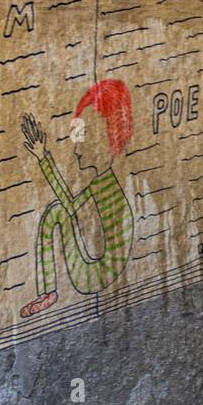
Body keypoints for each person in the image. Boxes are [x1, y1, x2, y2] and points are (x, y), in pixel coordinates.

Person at [18, 79, 135, 317]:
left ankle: (48, 292)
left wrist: (44, 158)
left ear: (107, 139)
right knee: (57, 210)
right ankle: (48, 291)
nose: (77, 149)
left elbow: (69, 208)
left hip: (97, 273)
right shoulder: (102, 181)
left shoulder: (105, 185)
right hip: (100, 264)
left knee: (56, 212)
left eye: (84, 137)